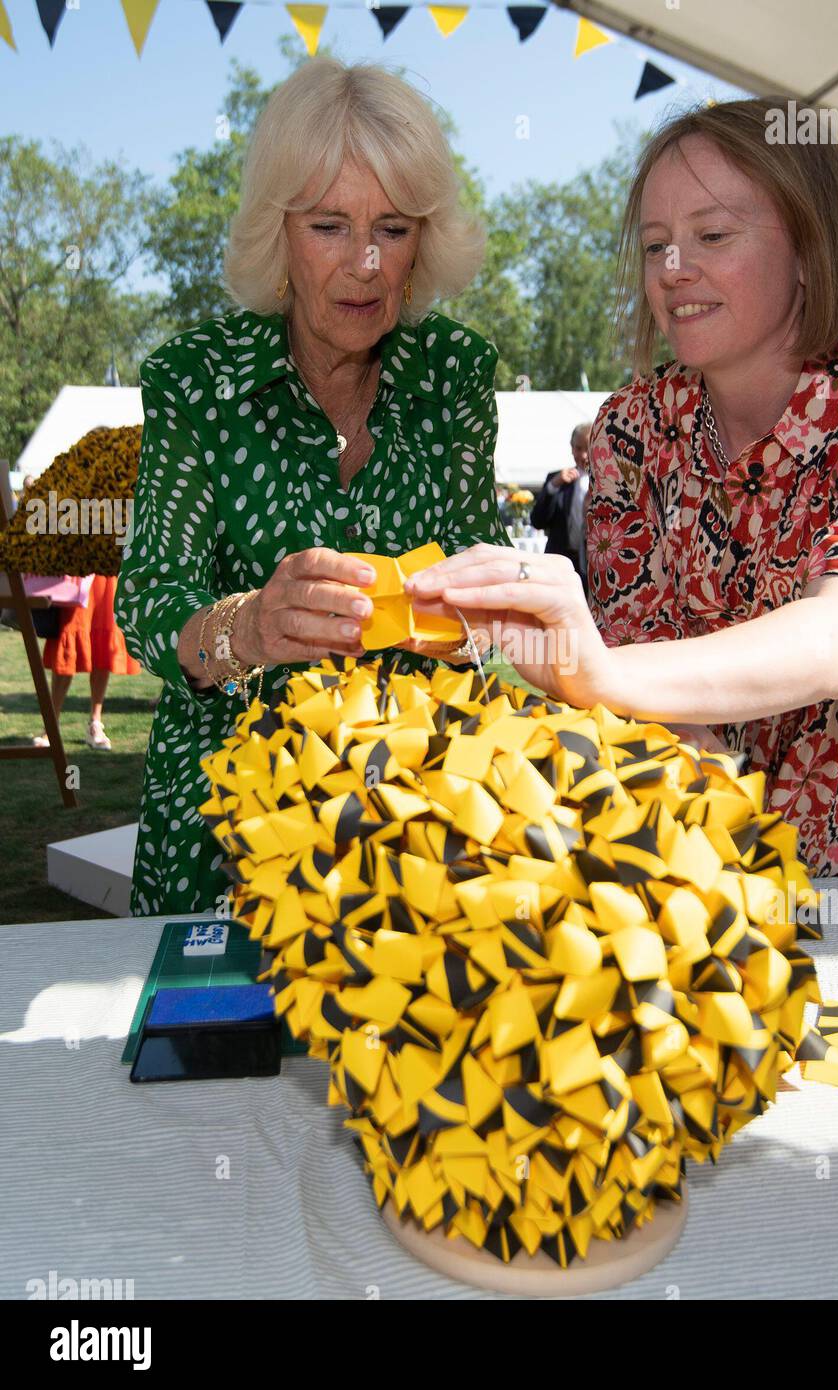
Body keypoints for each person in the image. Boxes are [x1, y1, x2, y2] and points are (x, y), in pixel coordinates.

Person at [404, 98, 838, 878]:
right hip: (676, 879)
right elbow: (638, 656)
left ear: (811, 246)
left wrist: (594, 671)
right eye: (656, 244)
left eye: (713, 235)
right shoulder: (630, 426)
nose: (672, 270)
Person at [114, 59, 510, 916]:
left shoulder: (458, 374)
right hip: (227, 825)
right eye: (332, 225)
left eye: (394, 229)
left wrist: (473, 617)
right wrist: (247, 624)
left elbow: (492, 578)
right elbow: (148, 604)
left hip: (417, 817)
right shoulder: (196, 378)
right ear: (278, 233)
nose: (366, 263)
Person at [31, 575, 141, 750]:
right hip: (77, 574)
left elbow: (124, 546)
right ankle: (51, 727)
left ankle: (95, 723)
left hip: (106, 576)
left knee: (103, 647)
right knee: (67, 645)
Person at [529, 423, 593, 588]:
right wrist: (553, 486)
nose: (584, 455)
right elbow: (537, 521)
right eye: (579, 448)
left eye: (588, 448)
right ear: (571, 448)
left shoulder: (606, 481)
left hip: (593, 566)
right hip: (560, 564)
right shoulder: (557, 479)